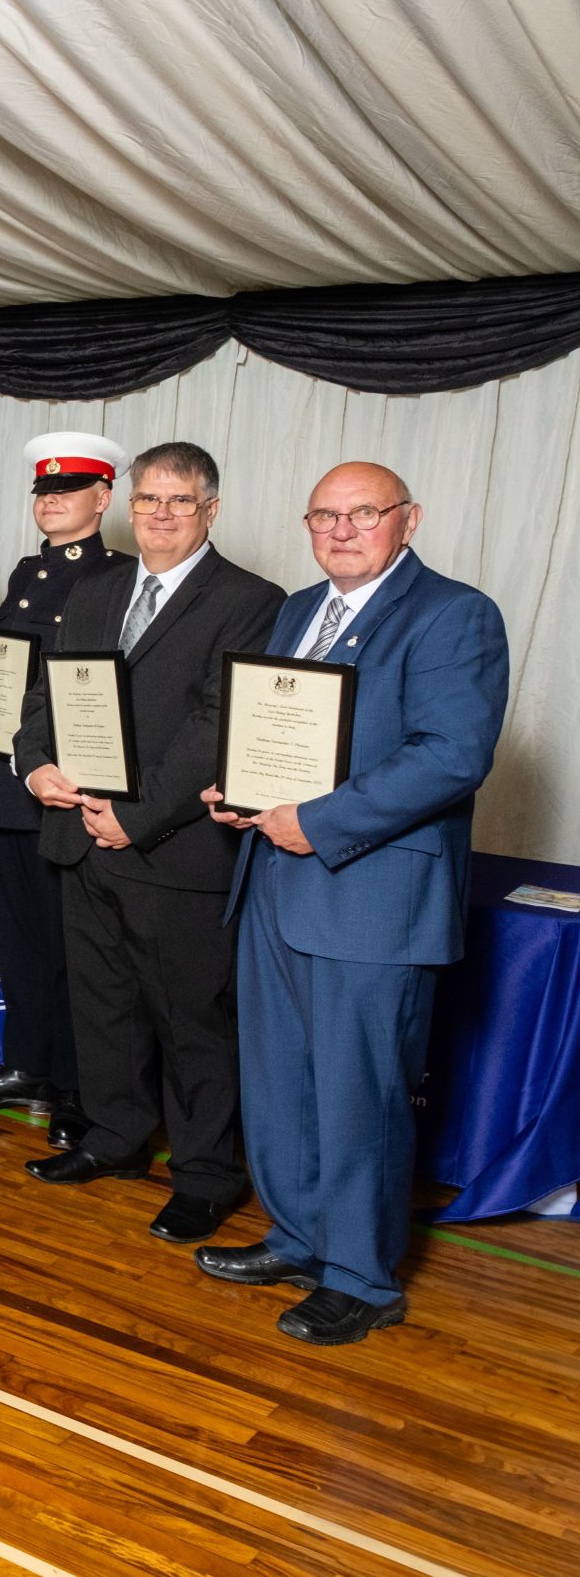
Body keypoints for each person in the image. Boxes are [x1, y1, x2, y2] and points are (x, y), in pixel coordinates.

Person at [195, 464, 507, 1345]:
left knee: (358, 1093)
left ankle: (364, 1279)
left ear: (407, 520)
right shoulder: (299, 610)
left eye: (362, 514)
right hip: (275, 882)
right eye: (324, 515)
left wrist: (318, 821)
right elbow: (283, 735)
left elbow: (450, 755)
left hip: (371, 894)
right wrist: (242, 791)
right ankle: (299, 1236)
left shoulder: (454, 613)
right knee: (283, 1083)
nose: (341, 529)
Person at [18, 441, 284, 1241]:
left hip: (175, 851)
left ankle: (206, 1174)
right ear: (126, 508)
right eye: (147, 502)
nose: (160, 516)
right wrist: (35, 765)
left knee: (190, 1020)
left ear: (211, 510)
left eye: (178, 502)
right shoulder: (94, 586)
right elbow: (49, 691)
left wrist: (136, 816)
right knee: (102, 1004)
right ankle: (115, 1139)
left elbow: (216, 723)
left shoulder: (250, 598)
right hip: (79, 831)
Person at [0, 432, 130, 1146]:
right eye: (43, 491)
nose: (50, 500)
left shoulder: (120, 576)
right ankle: (26, 1065)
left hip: (67, 782)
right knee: (16, 935)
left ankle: (79, 1088)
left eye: (68, 490)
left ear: (103, 498)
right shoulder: (25, 570)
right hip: (5, 780)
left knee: (74, 946)